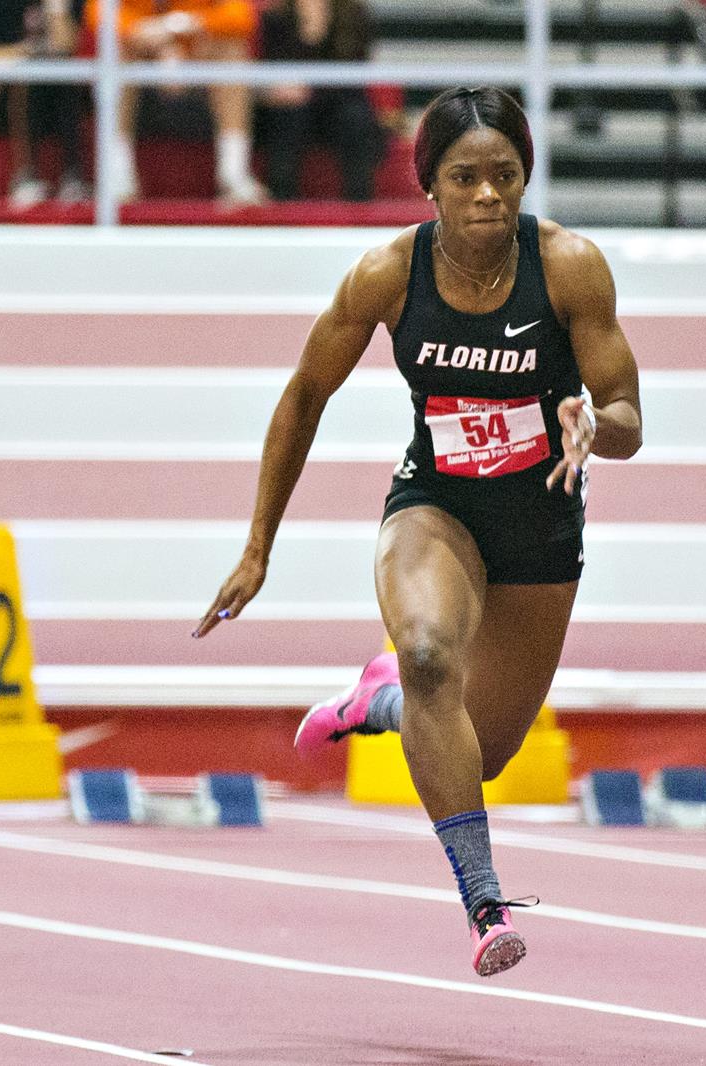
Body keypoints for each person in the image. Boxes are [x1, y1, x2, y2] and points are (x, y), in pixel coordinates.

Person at [195, 86, 642, 977]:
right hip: (434, 505)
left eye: (506, 177)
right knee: (433, 651)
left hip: (541, 528)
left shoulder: (570, 268)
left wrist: (599, 423)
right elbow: (303, 396)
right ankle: (484, 905)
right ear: (429, 188)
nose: (488, 197)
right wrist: (258, 546)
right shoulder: (385, 275)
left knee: (486, 749)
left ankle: (381, 699)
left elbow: (629, 414)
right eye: (466, 179)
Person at [82, 0, 267, 206]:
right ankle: (118, 180)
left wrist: (181, 25)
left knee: (232, 52)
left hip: (196, 46)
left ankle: (233, 175)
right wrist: (142, 30)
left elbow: (241, 15)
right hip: (142, 46)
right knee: (114, 55)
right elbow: (98, 11)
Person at [254, 0, 394, 202]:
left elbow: (355, 70)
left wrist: (309, 89)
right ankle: (282, 201)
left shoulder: (354, 14)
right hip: (292, 106)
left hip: (340, 100)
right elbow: (271, 68)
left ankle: (359, 201)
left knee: (354, 116)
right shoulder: (276, 17)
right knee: (288, 114)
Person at [0, 0, 91, 210]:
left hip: (58, 94)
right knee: (29, 74)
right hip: (8, 94)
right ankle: (25, 174)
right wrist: (29, 54)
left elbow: (67, 47)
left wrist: (57, 9)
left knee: (64, 74)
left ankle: (73, 177)